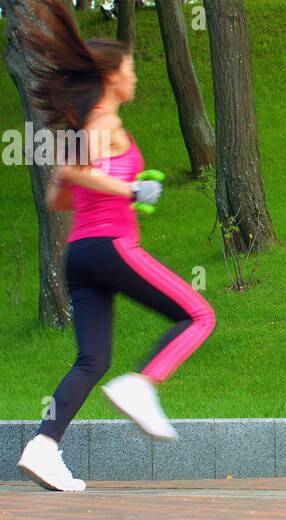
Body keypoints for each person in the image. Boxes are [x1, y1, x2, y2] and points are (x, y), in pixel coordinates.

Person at [13, 0, 216, 492]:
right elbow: (69, 175)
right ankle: (143, 384)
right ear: (110, 76)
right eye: (131, 68)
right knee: (199, 315)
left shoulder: (90, 127)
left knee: (92, 360)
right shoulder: (105, 123)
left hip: (80, 255)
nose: (135, 77)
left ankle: (43, 447)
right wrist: (129, 191)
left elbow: (58, 194)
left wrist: (111, 187)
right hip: (109, 245)